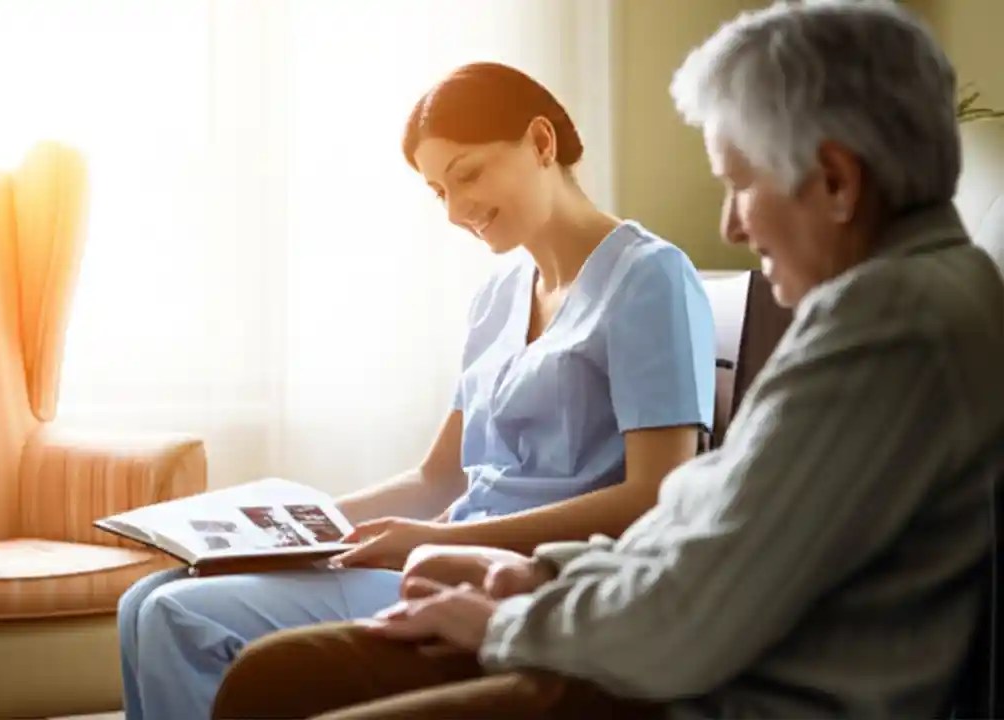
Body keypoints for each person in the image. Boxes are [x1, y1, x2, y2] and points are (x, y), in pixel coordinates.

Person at [211, 2, 1004, 719]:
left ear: (835, 180)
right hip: (665, 647)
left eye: (740, 183)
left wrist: (512, 617)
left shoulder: (893, 328)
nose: (729, 226)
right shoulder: (872, 309)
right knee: (277, 677)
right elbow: (712, 527)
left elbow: (694, 615)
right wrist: (546, 574)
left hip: (717, 694)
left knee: (279, 687)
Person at [117, 61, 717, 720]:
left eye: (468, 174)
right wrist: (278, 534)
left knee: (179, 616)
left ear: (541, 144)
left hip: (517, 578)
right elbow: (439, 478)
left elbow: (654, 495)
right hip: (442, 553)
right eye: (439, 191)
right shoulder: (497, 297)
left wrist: (439, 542)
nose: (457, 211)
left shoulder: (650, 278)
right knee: (143, 600)